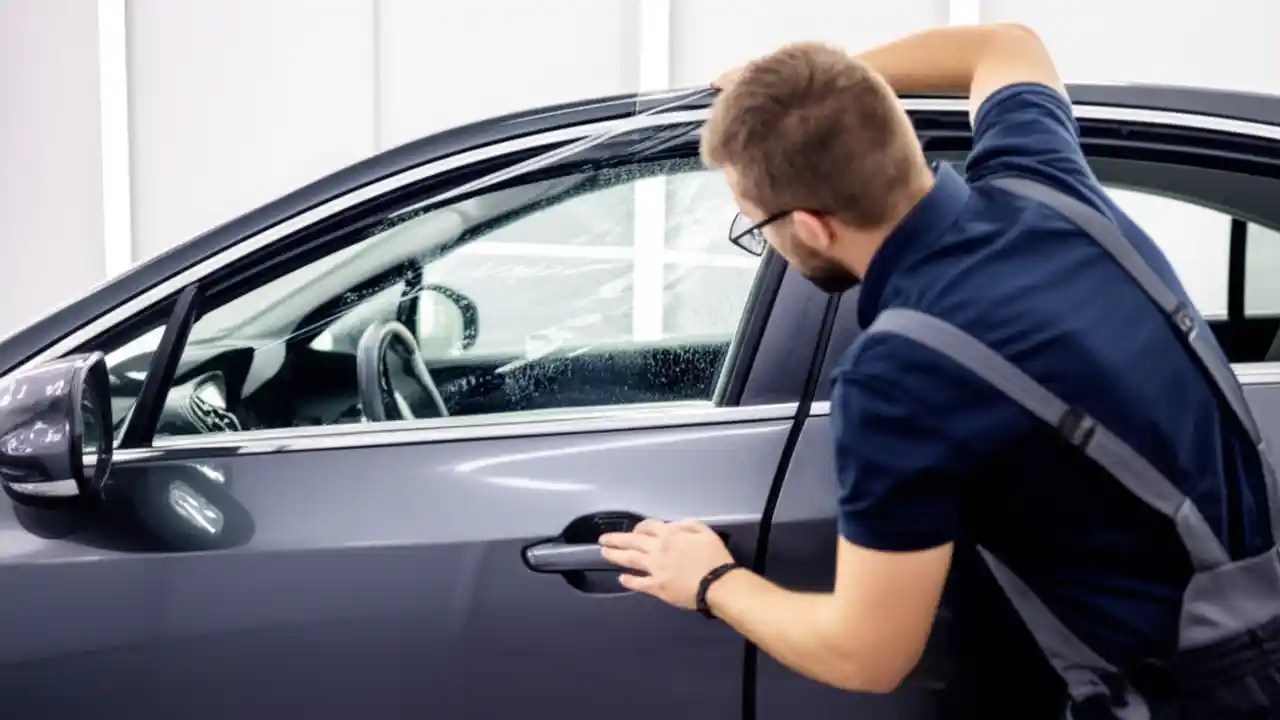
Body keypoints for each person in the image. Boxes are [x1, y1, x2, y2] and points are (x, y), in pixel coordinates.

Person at [598, 23, 1280, 718]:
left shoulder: (899, 380)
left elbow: (866, 655)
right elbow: (1006, 46)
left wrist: (710, 579)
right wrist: (818, 93)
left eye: (758, 228)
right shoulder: (1044, 179)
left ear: (811, 226)